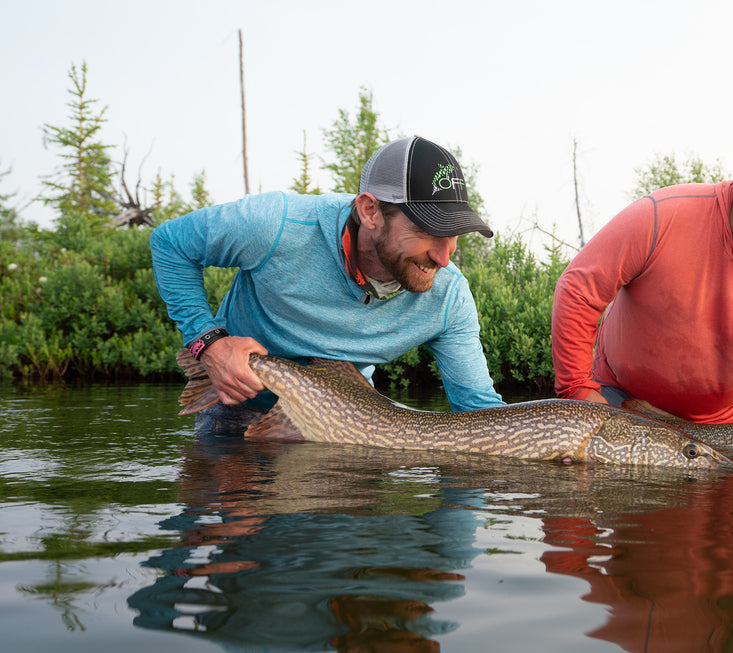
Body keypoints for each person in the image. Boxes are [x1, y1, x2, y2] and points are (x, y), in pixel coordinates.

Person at [151, 135, 505, 434]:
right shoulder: (275, 225)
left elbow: (479, 411)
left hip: (350, 421)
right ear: (370, 211)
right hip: (237, 402)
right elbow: (170, 243)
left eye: (454, 235)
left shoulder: (450, 297)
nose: (444, 258)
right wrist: (207, 342)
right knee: (229, 508)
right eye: (427, 232)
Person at [551, 118, 733, 424]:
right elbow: (578, 290)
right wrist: (579, 394)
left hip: (727, 428)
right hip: (618, 400)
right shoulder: (663, 215)